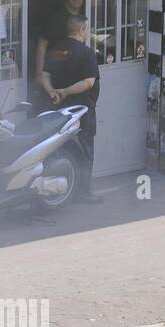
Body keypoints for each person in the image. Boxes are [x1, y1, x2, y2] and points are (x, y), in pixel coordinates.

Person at [40, 13, 102, 204]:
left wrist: (52, 92)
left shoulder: (57, 50)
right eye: (87, 29)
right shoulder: (86, 53)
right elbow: (89, 82)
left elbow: (44, 74)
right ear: (81, 30)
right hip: (81, 112)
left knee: (60, 149)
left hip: (58, 112)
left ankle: (59, 189)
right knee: (84, 151)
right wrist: (66, 91)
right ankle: (83, 193)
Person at [33, 0, 86, 110]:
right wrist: (39, 73)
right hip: (55, 73)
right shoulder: (56, 18)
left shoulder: (86, 14)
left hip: (76, 75)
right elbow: (42, 44)